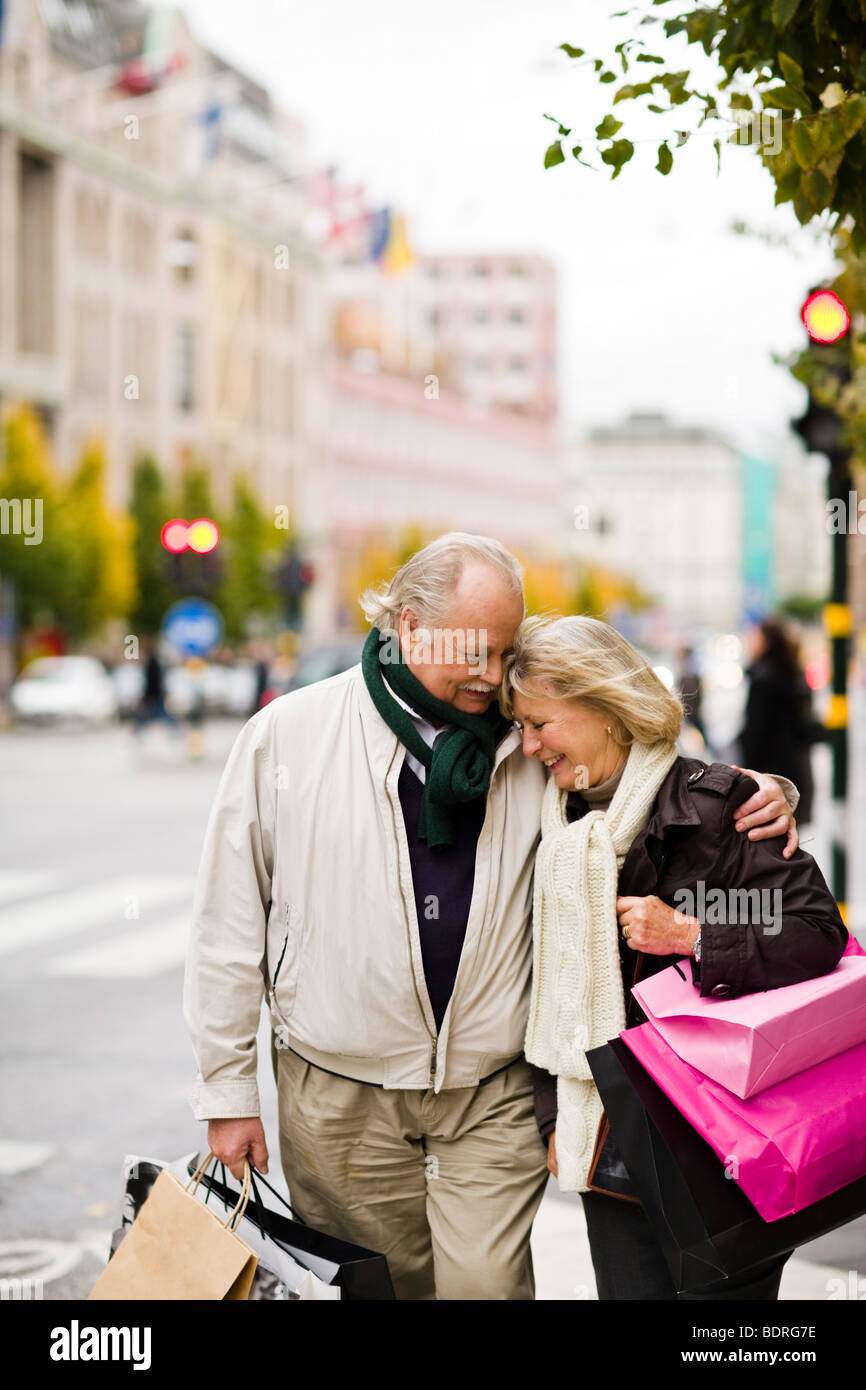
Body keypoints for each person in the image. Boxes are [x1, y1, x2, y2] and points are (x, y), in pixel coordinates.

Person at [183, 533, 799, 1301]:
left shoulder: (527, 735)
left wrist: (763, 789)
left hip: (492, 1093)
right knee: (378, 1291)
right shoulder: (288, 736)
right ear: (408, 627)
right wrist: (227, 1095)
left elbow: (646, 769)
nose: (488, 675)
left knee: (488, 1290)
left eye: (503, 652)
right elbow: (226, 924)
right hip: (338, 1093)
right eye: (471, 649)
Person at [501, 614, 847, 1301]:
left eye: (541, 723)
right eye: (521, 725)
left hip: (724, 1139)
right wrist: (553, 1119)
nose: (530, 745)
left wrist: (692, 935)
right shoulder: (547, 821)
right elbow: (546, 989)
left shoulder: (720, 804)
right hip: (611, 1143)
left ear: (602, 706)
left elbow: (815, 932)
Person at [739, 615, 819, 824]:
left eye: (755, 636)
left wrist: (747, 778)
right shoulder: (791, 675)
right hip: (793, 771)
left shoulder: (763, 679)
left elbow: (755, 734)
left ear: (766, 640)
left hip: (770, 775)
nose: (750, 641)